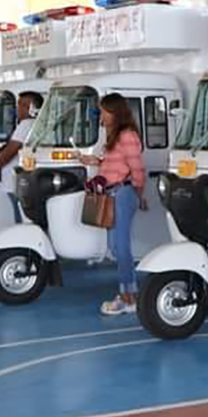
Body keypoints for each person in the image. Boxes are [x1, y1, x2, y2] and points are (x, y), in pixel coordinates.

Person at [78, 93, 148, 316]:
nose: (101, 117)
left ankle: (129, 296)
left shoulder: (127, 135)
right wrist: (96, 162)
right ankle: (128, 293)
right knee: (116, 247)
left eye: (104, 112)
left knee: (121, 247)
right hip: (112, 194)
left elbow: (137, 169)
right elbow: (117, 163)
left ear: (114, 112)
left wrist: (139, 194)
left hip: (122, 194)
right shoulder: (115, 135)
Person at [0, 90, 42, 222]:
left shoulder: (27, 124)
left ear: (31, 108)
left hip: (16, 182)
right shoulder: (34, 125)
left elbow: (12, 148)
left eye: (21, 105)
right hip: (22, 181)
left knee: (21, 218)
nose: (17, 108)